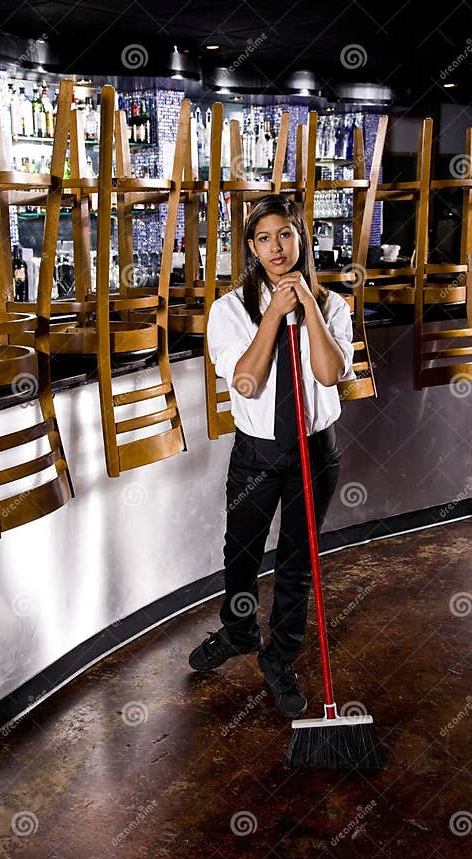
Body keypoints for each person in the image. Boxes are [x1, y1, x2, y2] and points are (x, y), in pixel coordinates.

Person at [188, 194, 356, 719]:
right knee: (241, 550)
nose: (276, 247)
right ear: (251, 249)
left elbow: (330, 375)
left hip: (315, 450)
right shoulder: (228, 309)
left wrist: (307, 307)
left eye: (285, 234)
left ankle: (279, 658)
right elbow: (246, 379)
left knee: (297, 561)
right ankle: (238, 631)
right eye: (263, 238)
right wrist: (273, 318)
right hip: (257, 453)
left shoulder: (333, 307)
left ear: (301, 238)